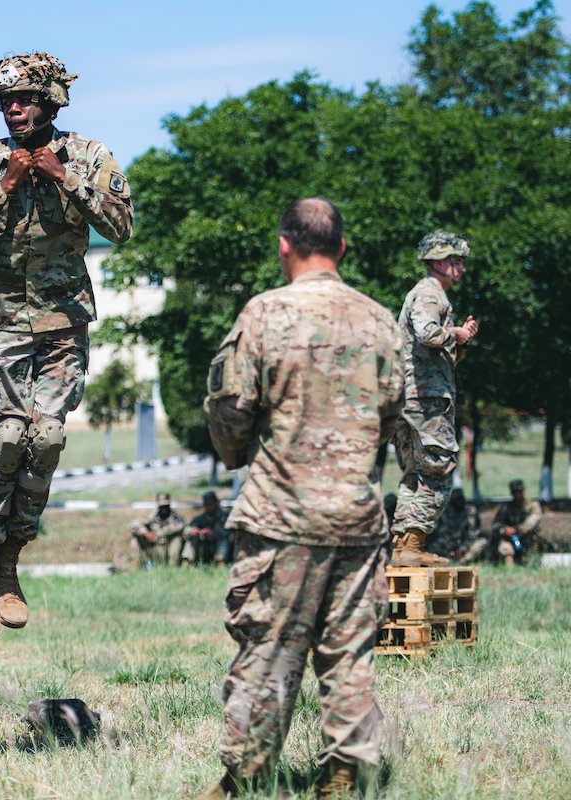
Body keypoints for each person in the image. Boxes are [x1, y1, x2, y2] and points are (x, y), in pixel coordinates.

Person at [200, 199, 403, 798]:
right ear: (341, 248)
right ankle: (345, 771)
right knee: (348, 655)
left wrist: (237, 454)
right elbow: (397, 414)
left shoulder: (265, 314)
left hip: (283, 517)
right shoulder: (380, 320)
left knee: (269, 653)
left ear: (283, 246)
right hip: (358, 522)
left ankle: (244, 781)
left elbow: (231, 407)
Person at [0, 52, 133, 637]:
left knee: (46, 437)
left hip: (62, 323)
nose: (13, 108)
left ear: (51, 101)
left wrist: (61, 178)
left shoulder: (91, 156)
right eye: (4, 101)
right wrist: (8, 185)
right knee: (8, 435)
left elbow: (122, 227)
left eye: (22, 98)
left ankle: (10, 561)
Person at [390, 230, 479, 568]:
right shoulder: (430, 294)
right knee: (438, 471)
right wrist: (453, 333)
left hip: (412, 398)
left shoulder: (427, 294)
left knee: (416, 473)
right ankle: (413, 544)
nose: (462, 269)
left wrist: (461, 341)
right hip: (426, 400)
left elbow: (441, 353)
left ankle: (403, 547)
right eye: (457, 262)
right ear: (440, 263)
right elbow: (428, 334)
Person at [462, 479, 543, 566]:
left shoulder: (533, 505)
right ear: (511, 492)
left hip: (529, 540)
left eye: (519, 491)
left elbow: (532, 522)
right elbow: (496, 524)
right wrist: (504, 530)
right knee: (505, 548)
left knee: (531, 557)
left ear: (524, 490)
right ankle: (510, 571)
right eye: (515, 491)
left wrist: (516, 529)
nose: (517, 494)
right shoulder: (506, 507)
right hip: (511, 539)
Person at [130, 492, 186, 567]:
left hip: (168, 548)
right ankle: (134, 567)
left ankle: (172, 567)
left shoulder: (176, 518)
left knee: (177, 539)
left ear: (169, 505)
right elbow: (134, 524)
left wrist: (157, 534)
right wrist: (146, 533)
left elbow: (177, 527)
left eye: (166, 506)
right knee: (135, 539)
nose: (164, 508)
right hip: (156, 548)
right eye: (161, 506)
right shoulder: (152, 516)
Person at [425, 487, 480, 560]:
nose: (459, 502)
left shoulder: (469, 511)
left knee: (480, 544)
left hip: (463, 544)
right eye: (456, 499)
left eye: (460, 498)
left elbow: (472, 533)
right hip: (445, 545)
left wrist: (463, 547)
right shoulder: (445, 511)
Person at [182, 490, 230, 565]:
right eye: (206, 505)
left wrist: (213, 533)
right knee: (191, 539)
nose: (208, 507)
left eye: (210, 504)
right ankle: (186, 563)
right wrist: (193, 531)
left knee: (223, 541)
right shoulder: (201, 518)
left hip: (218, 545)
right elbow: (186, 529)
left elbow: (228, 533)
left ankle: (221, 564)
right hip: (204, 546)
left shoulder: (224, 517)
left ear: (216, 503)